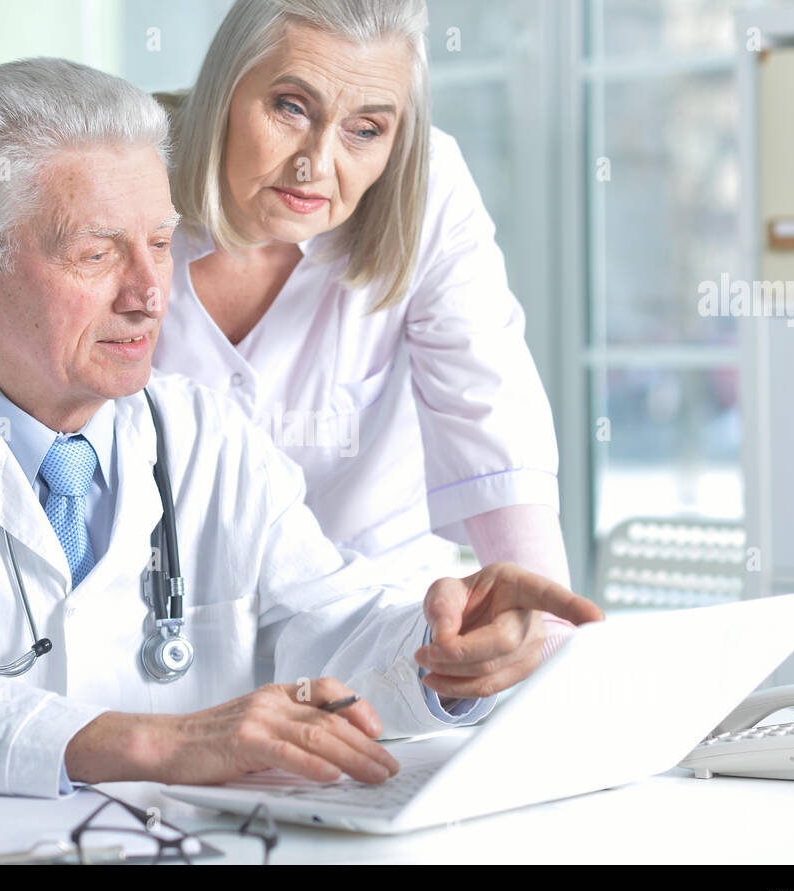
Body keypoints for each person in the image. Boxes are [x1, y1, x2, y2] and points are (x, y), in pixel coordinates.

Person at [0, 58, 602, 798]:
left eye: (161, 244)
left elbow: (329, 618)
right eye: (96, 254)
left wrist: (441, 644)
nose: (149, 292)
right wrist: (144, 741)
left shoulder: (204, 434)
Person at [154, 0, 577, 658]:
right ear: (224, 88)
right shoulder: (127, 173)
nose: (316, 164)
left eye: (365, 129)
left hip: (380, 629)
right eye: (291, 107)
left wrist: (543, 634)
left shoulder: (429, 188)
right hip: (162, 632)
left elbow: (489, 409)